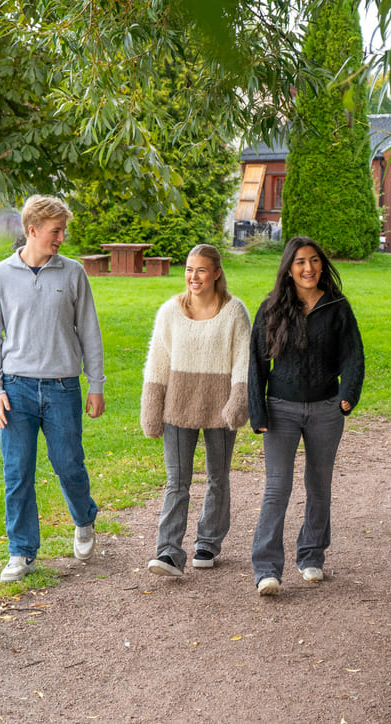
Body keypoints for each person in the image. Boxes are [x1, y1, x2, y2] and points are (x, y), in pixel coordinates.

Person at [0, 194, 105, 582]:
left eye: (63, 231)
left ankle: (84, 519)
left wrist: (95, 384)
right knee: (18, 472)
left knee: (68, 464)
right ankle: (22, 552)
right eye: (55, 231)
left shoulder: (73, 273)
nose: (61, 238)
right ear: (32, 230)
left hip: (63, 387)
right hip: (16, 390)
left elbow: (90, 332)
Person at [248, 236, 364, 596]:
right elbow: (256, 363)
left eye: (314, 260)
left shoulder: (337, 307)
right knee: (277, 487)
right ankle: (266, 568)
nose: (308, 268)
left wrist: (348, 395)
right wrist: (257, 409)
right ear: (289, 268)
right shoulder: (271, 308)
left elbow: (353, 355)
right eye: (300, 262)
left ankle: (312, 556)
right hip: (280, 409)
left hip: (326, 409)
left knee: (319, 485)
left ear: (321, 265)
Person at [140, 244, 251, 576]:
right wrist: (151, 407)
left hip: (220, 407)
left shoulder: (235, 311)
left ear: (216, 273)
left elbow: (243, 360)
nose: (194, 276)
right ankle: (169, 552)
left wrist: (239, 399)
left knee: (218, 477)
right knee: (177, 481)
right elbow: (157, 363)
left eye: (201, 270)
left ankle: (208, 542)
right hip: (178, 406)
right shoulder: (170, 311)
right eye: (189, 269)